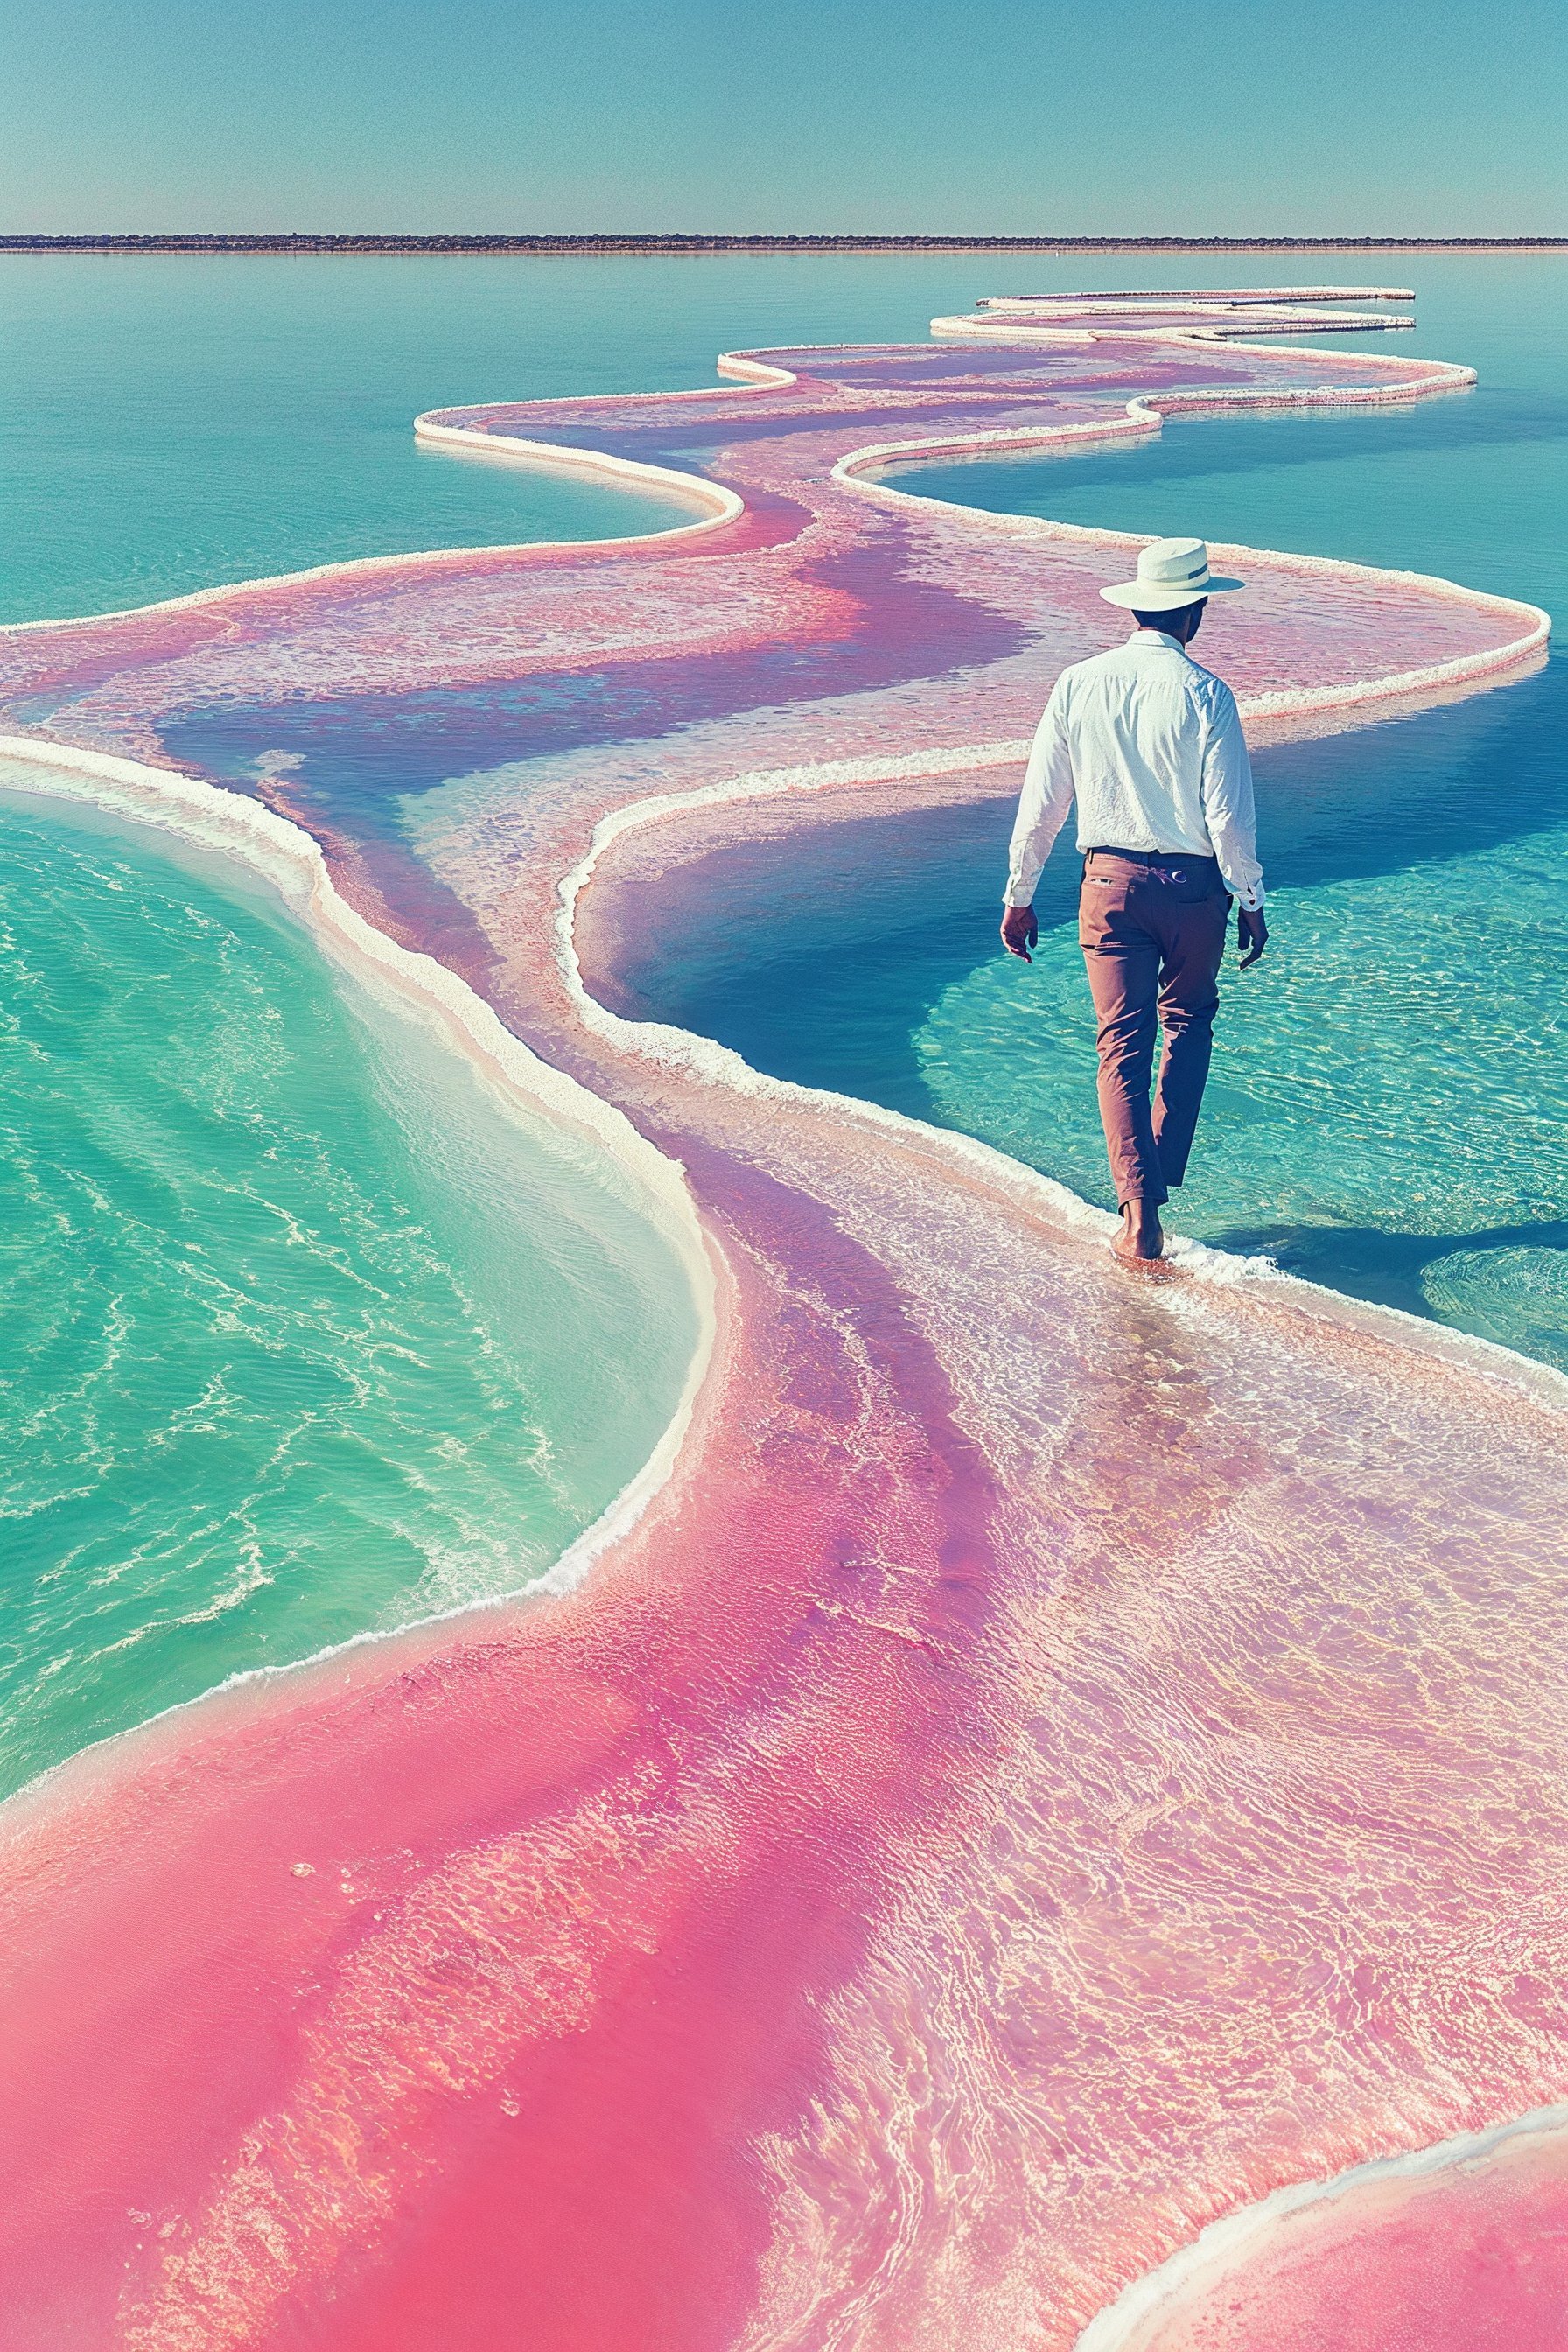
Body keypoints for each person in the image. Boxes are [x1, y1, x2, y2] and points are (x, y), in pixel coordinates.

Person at [1000, 537, 1268, 1263]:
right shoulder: (1208, 693)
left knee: (1121, 1041)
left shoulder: (1077, 683)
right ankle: (1161, 1176)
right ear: (1197, 611)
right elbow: (1227, 818)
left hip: (1108, 885)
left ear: (1137, 607)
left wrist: (1020, 894)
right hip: (1192, 891)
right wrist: (1250, 898)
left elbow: (1043, 803)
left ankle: (1138, 1210)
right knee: (1189, 1022)